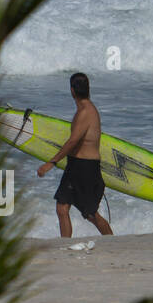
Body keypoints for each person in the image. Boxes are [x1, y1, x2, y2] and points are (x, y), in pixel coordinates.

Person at [36, 72, 114, 237]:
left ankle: (112, 241)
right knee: (62, 208)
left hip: (85, 168)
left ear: (72, 90)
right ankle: (65, 245)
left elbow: (73, 141)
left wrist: (52, 162)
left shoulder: (86, 112)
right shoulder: (85, 110)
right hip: (77, 166)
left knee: (91, 214)